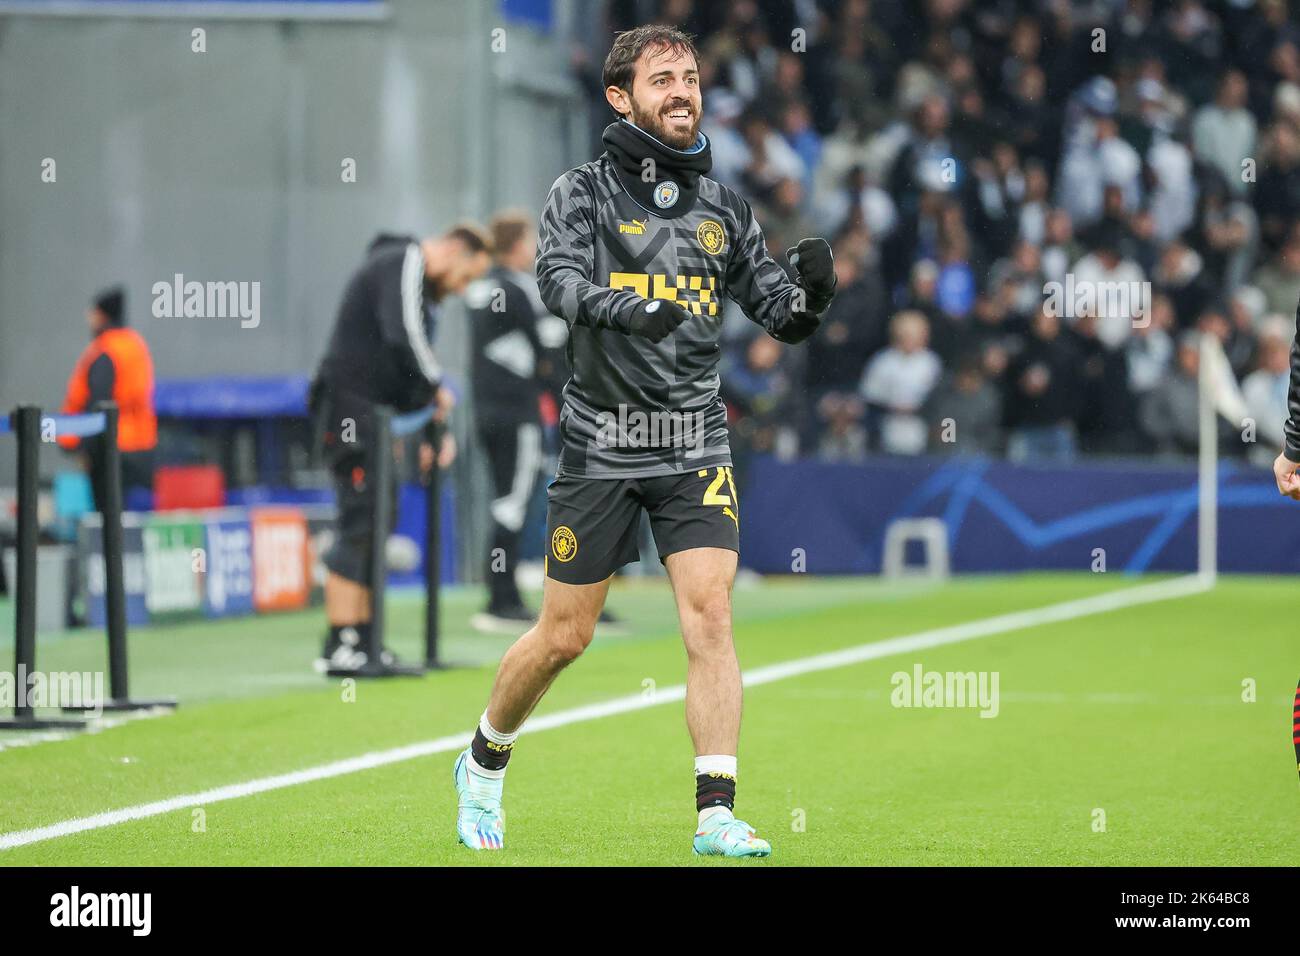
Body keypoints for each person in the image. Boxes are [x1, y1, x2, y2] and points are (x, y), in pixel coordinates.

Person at [451, 24, 837, 858]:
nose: (683, 91)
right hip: (600, 441)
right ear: (621, 97)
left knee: (709, 617)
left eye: (690, 77)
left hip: (694, 441)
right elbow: (557, 283)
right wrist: (627, 308)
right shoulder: (581, 193)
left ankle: (716, 812)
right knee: (565, 637)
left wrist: (813, 297)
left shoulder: (723, 206)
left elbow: (777, 311)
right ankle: (483, 759)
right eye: (663, 79)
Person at [311, 226, 492, 673]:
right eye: (466, 276)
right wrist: (437, 388)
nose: (461, 288)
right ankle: (340, 643)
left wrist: (434, 421)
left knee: (378, 517)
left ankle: (368, 641)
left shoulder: (413, 280)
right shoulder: (404, 261)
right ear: (453, 250)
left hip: (374, 417)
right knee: (360, 517)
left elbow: (402, 362)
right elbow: (404, 336)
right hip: (348, 412)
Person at [464, 212, 549, 632]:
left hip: (485, 409)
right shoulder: (520, 287)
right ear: (515, 245)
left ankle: (502, 593)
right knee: (514, 502)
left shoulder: (480, 286)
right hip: (518, 412)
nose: (535, 249)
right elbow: (548, 344)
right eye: (531, 240)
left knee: (503, 499)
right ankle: (503, 598)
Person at [58, 287, 157, 512]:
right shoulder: (135, 346)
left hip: (110, 448)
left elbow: (98, 404)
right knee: (127, 516)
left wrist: (83, 447)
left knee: (108, 517)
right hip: (140, 446)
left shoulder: (105, 351)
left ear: (102, 315)